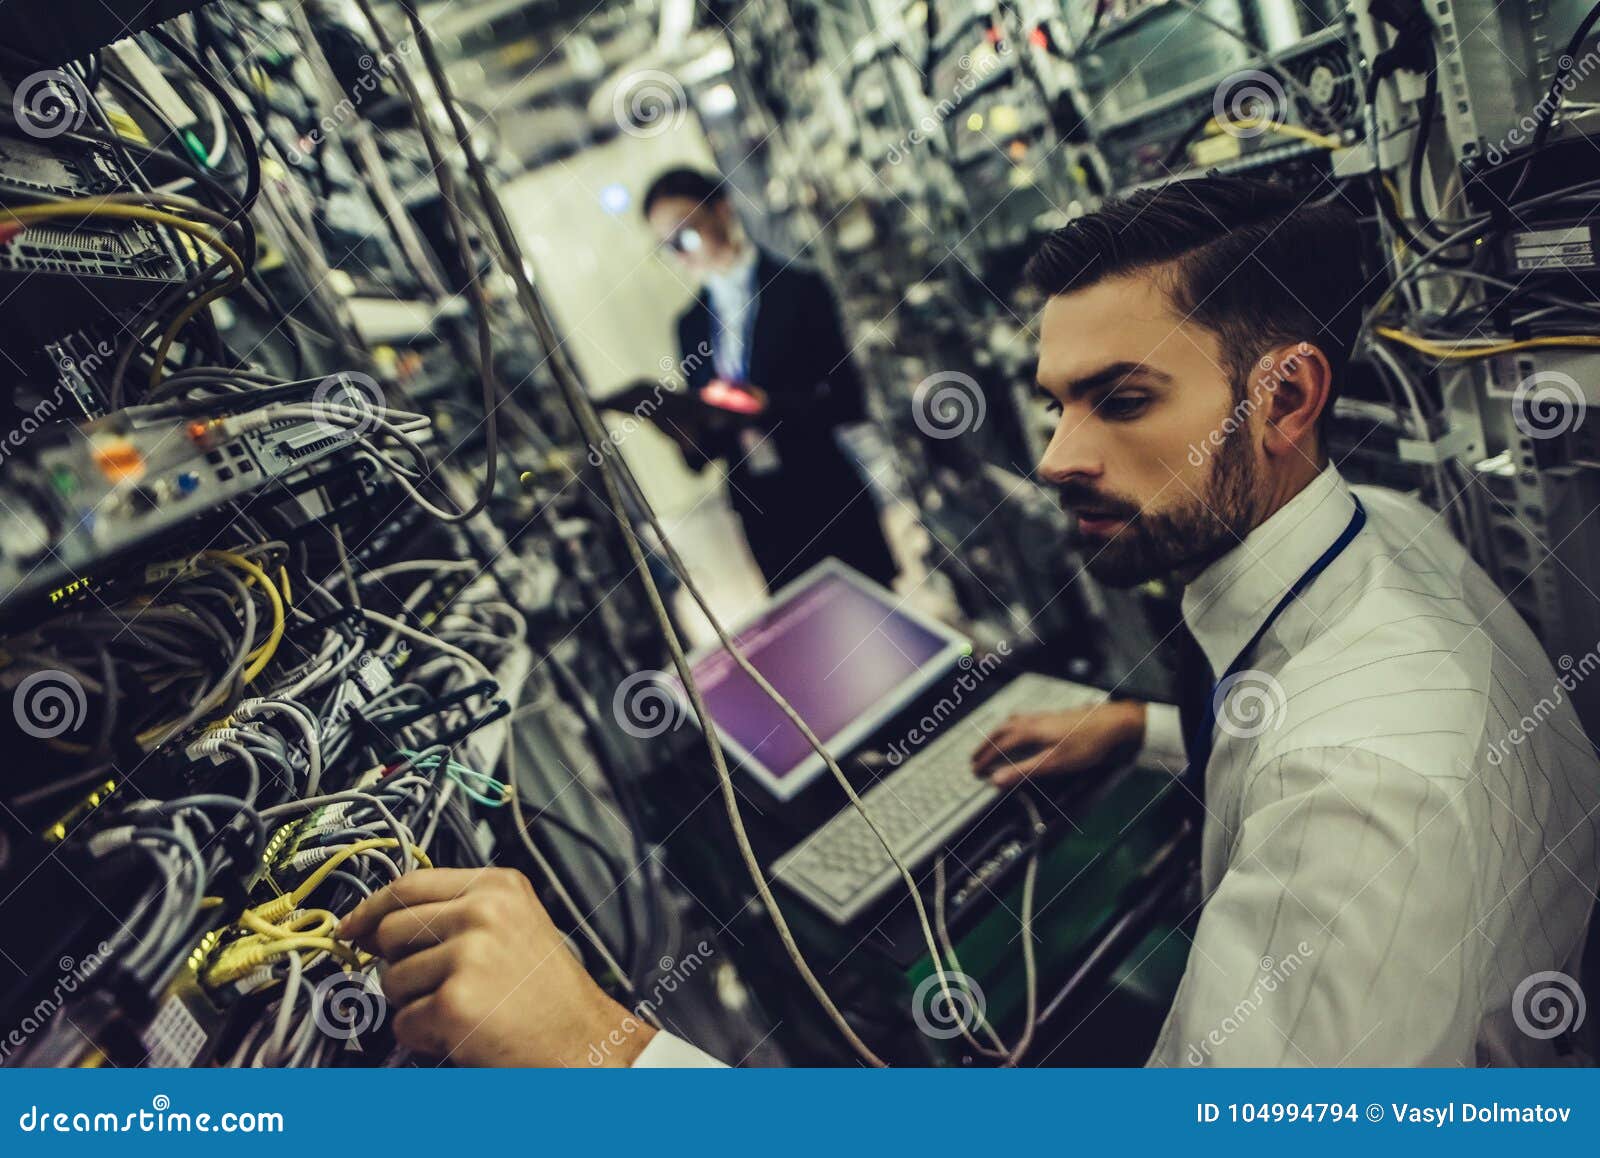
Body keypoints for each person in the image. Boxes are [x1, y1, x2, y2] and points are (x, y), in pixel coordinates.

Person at [337, 176, 1600, 1067]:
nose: (1056, 457)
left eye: (1120, 400)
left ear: (1284, 397)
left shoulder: (1361, 794)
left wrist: (605, 1057)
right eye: (1051, 403)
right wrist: (1146, 728)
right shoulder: (1379, 535)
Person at [635, 166, 898, 593]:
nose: (680, 255)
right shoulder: (690, 325)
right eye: (667, 246)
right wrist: (688, 432)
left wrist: (768, 405)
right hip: (762, 511)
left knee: (878, 623)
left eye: (686, 235)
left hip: (825, 491)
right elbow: (705, 453)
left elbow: (849, 400)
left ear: (721, 212)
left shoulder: (798, 290)